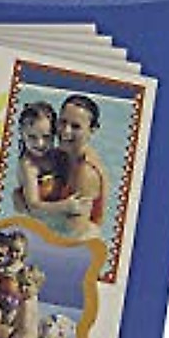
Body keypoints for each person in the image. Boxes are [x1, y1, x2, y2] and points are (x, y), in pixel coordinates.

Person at [11, 101, 91, 230]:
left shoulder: (56, 155)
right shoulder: (28, 166)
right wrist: (65, 206)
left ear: (55, 133)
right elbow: (33, 206)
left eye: (46, 136)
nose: (40, 143)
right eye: (32, 137)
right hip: (39, 220)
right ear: (21, 134)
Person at [54, 94, 109, 240]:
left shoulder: (86, 173)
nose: (65, 131)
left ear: (92, 130)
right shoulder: (63, 154)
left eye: (76, 126)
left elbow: (72, 232)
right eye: (62, 122)